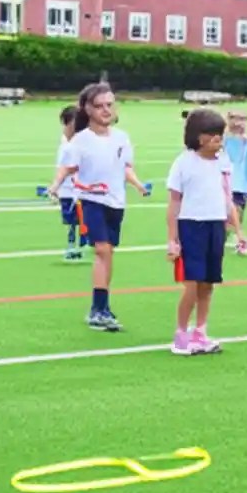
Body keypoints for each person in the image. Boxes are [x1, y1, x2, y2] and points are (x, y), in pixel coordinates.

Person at [48, 82, 152, 332]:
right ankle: (98, 309)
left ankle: (103, 307)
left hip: (116, 201)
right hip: (92, 200)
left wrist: (139, 185)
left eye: (109, 104)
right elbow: (68, 168)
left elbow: (126, 167)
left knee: (109, 252)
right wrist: (55, 186)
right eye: (99, 106)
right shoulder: (81, 141)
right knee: (102, 250)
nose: (106, 110)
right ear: (87, 109)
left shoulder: (122, 138)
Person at [166, 109, 247, 355]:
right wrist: (172, 238)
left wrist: (239, 231)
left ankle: (200, 332)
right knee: (192, 284)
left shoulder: (223, 162)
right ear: (197, 137)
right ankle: (181, 334)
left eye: (219, 135)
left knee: (208, 284)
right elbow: (174, 203)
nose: (218, 140)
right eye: (212, 135)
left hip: (216, 226)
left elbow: (227, 198)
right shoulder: (184, 162)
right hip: (192, 226)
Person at [55, 105, 88, 262]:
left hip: (77, 190)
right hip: (67, 190)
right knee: (71, 221)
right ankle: (72, 246)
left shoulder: (77, 143)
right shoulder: (66, 143)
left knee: (79, 219)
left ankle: (78, 246)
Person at [223, 109, 247, 256]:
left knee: (236, 218)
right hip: (225, 185)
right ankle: (241, 241)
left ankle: (236, 239)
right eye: (234, 119)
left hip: (240, 185)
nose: (237, 123)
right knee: (228, 218)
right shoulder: (223, 140)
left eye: (241, 119)